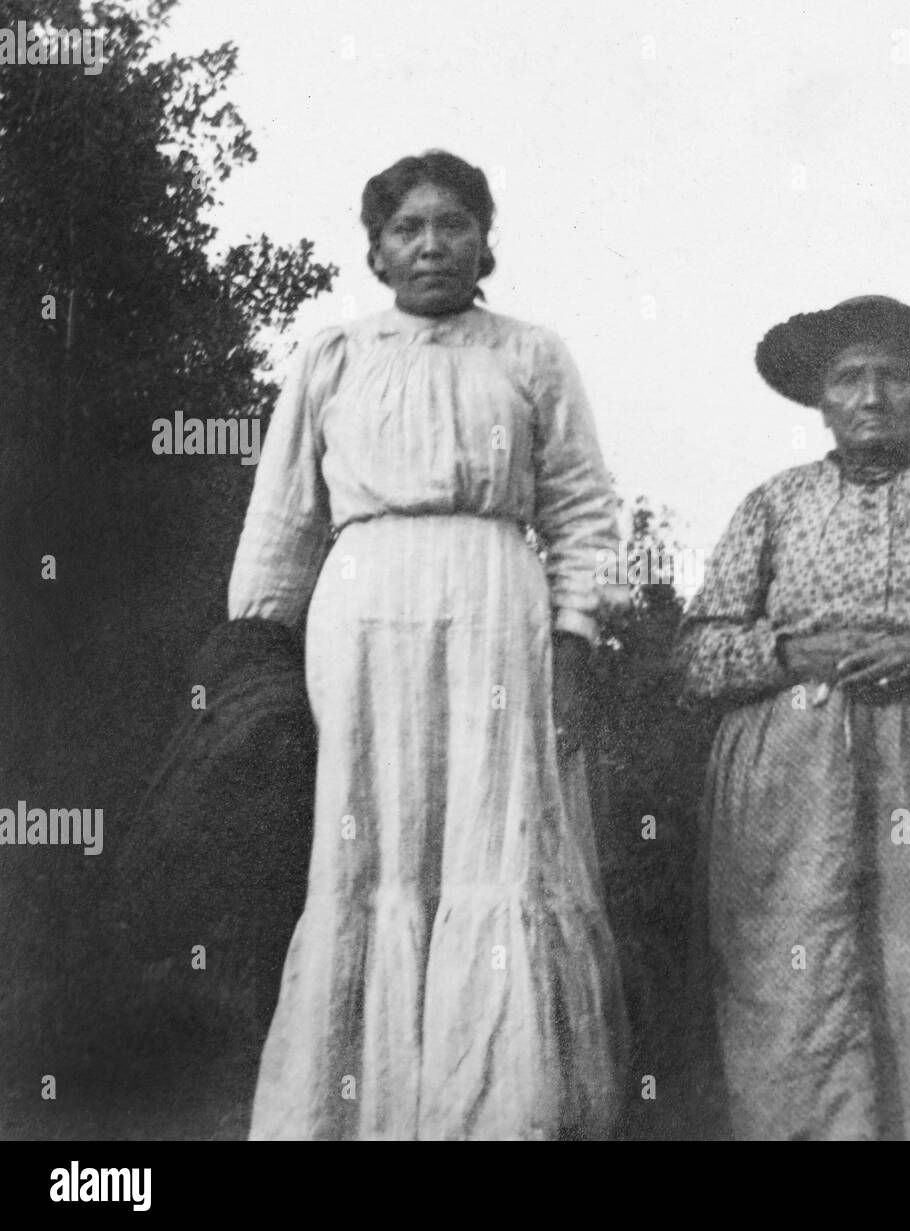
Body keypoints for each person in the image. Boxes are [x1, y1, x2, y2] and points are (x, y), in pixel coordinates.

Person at [228, 150, 627, 1140]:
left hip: (498, 605)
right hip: (361, 616)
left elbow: (581, 507)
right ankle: (355, 1105)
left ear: (487, 240)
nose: (433, 244)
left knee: (496, 835)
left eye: (454, 224)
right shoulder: (334, 357)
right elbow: (283, 516)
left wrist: (576, 635)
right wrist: (251, 654)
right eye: (408, 229)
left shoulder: (530, 355)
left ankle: (497, 1107)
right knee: (371, 840)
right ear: (374, 252)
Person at [673, 295, 910, 1140]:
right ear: (821, 399)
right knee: (795, 989)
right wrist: (787, 657)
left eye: (896, 376)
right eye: (851, 377)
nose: (873, 396)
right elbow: (700, 653)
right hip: (790, 786)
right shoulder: (772, 506)